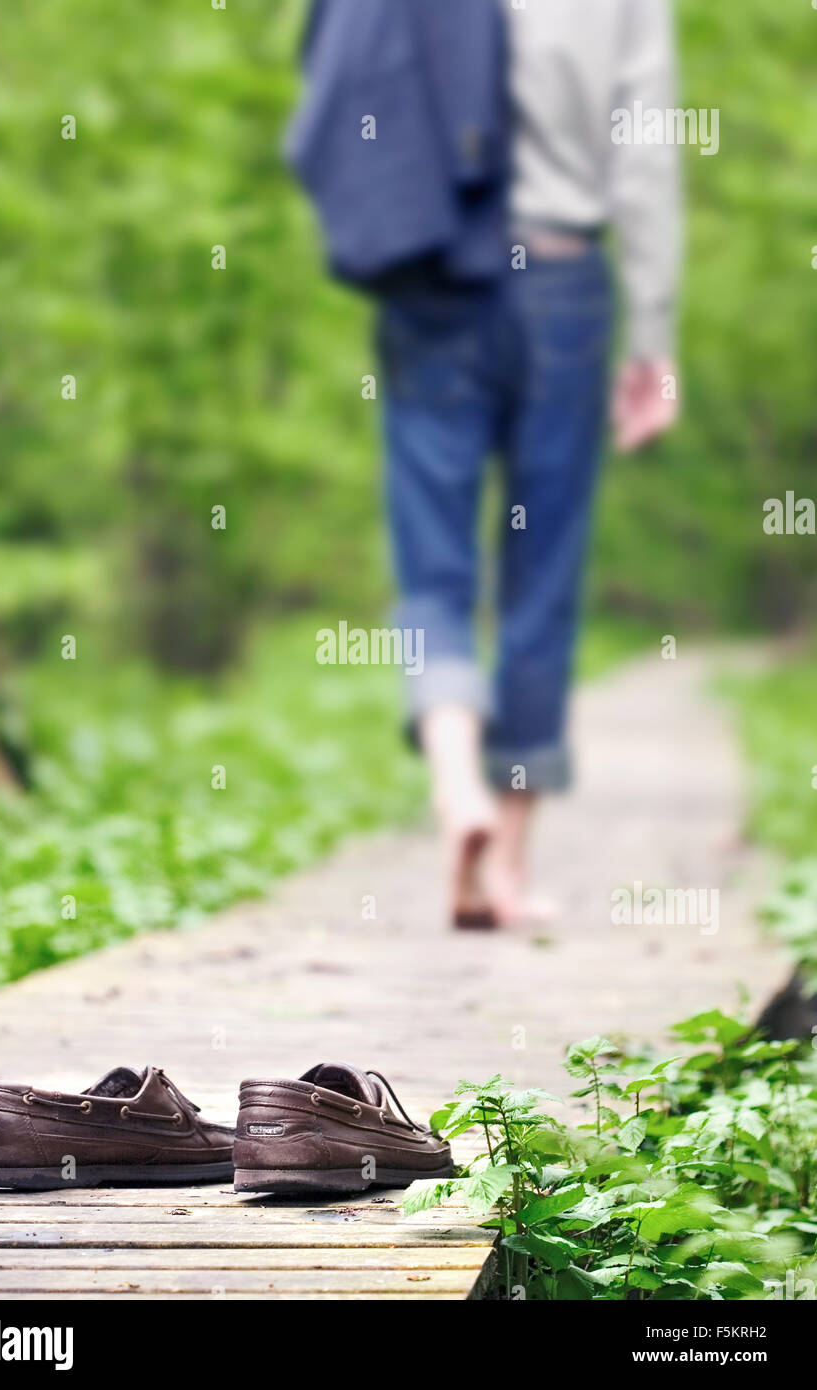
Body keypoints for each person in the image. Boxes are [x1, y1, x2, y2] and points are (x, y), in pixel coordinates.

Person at [291, 0, 681, 928]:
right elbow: (645, 152)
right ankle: (507, 862)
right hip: (561, 277)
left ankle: (453, 785)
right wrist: (653, 335)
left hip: (435, 274)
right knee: (540, 575)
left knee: (433, 564)